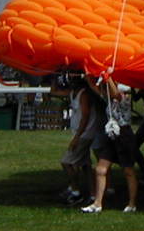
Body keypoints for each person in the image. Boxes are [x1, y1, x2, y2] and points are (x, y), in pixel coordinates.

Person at [80, 78, 138, 213]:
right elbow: (96, 88)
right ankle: (97, 203)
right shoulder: (109, 98)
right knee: (100, 169)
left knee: (128, 171)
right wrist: (88, 76)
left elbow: (116, 94)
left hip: (124, 135)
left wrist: (109, 77)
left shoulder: (124, 95)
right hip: (112, 134)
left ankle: (132, 203)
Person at [59, 76, 103, 206]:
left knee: (66, 162)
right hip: (81, 133)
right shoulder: (73, 93)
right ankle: (92, 193)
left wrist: (77, 137)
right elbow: (53, 91)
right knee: (85, 165)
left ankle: (75, 191)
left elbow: (85, 116)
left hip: (84, 134)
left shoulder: (84, 94)